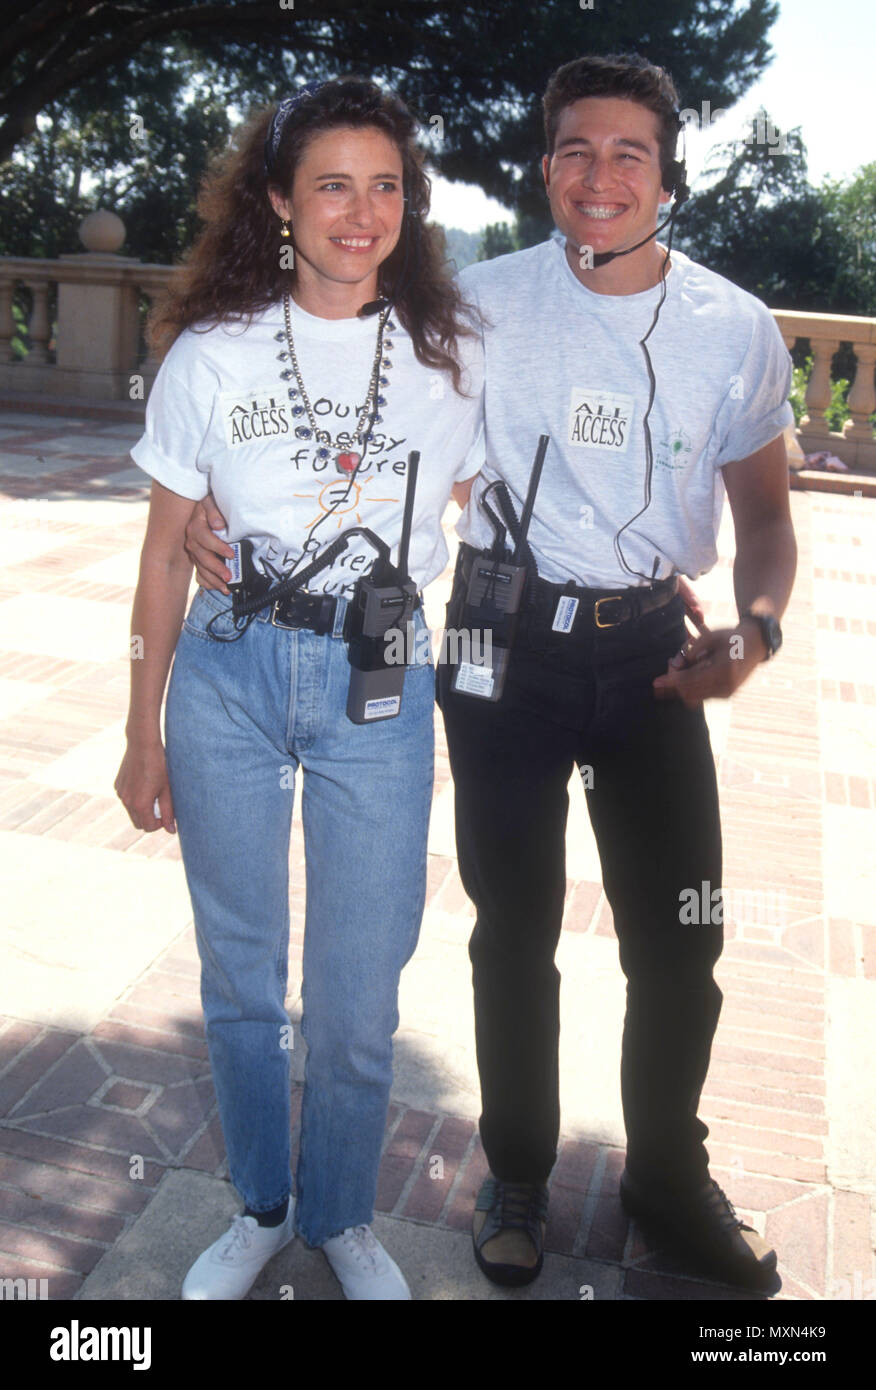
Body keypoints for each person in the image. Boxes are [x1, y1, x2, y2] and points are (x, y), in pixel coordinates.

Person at [115, 76, 483, 1301]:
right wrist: (140, 731)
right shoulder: (212, 354)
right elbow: (168, 550)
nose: (361, 211)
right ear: (279, 200)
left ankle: (342, 1215)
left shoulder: (450, 358)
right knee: (239, 967)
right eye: (333, 183)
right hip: (226, 672)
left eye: (387, 186)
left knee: (357, 985)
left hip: (376, 680)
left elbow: (515, 503)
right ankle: (263, 1206)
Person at [434, 53, 797, 1292]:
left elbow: (769, 519)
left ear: (668, 175)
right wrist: (218, 515)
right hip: (494, 639)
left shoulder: (732, 327)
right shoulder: (478, 303)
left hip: (652, 655)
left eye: (628, 153)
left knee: (683, 936)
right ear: (545, 170)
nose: (600, 177)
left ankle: (666, 1174)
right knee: (513, 929)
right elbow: (373, 439)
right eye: (576, 152)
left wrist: (754, 633)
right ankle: (518, 1169)